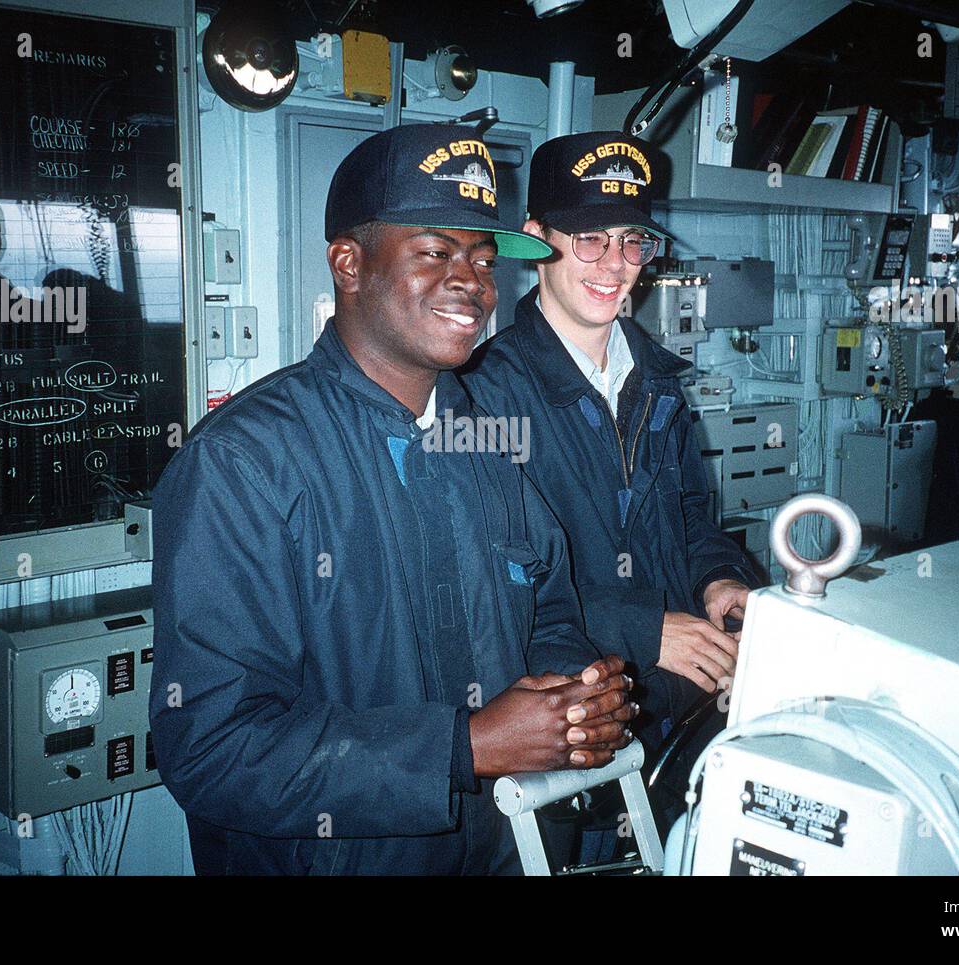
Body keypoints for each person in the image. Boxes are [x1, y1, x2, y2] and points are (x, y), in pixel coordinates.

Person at [150, 124, 636, 876]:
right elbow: (212, 748)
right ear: (349, 263)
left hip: (507, 851)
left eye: (482, 258)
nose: (473, 282)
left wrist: (574, 697)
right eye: (436, 251)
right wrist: (465, 746)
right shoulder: (242, 462)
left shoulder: (482, 437)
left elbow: (549, 609)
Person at [460, 131, 758, 821]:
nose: (615, 265)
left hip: (678, 711)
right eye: (589, 238)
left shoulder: (658, 382)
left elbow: (691, 520)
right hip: (573, 732)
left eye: (632, 241)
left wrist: (719, 579)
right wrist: (646, 630)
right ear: (536, 240)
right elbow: (494, 598)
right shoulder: (485, 398)